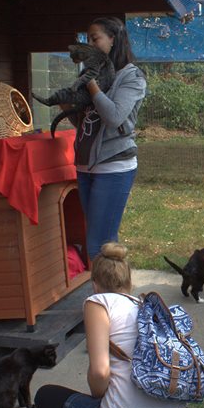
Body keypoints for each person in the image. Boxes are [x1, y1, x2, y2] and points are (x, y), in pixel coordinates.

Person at [34, 243, 187, 408]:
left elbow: (100, 373)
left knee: (46, 397)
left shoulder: (97, 303)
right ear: (129, 281)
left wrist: (99, 400)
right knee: (142, 388)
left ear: (95, 284)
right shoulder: (144, 306)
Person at [68, 17, 147, 262]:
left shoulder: (131, 76)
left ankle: (108, 299)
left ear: (113, 40)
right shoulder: (93, 73)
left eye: (95, 38)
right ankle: (112, 295)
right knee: (101, 240)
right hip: (86, 165)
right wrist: (69, 104)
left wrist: (91, 86)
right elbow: (87, 124)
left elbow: (113, 117)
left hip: (113, 166)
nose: (89, 43)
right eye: (87, 39)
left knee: (99, 245)